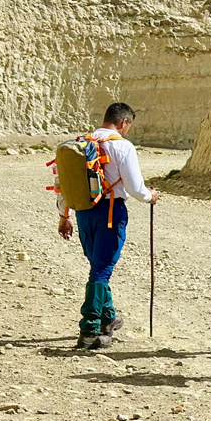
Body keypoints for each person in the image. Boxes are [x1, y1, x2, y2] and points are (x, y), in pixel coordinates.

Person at [56, 102, 160, 349]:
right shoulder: (122, 146)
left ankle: (108, 317)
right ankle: (90, 328)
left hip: (83, 210)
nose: (127, 131)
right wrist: (150, 196)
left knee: (98, 266)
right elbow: (135, 188)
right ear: (124, 122)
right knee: (101, 270)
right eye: (128, 126)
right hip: (111, 212)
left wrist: (64, 214)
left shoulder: (81, 145)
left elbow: (63, 183)